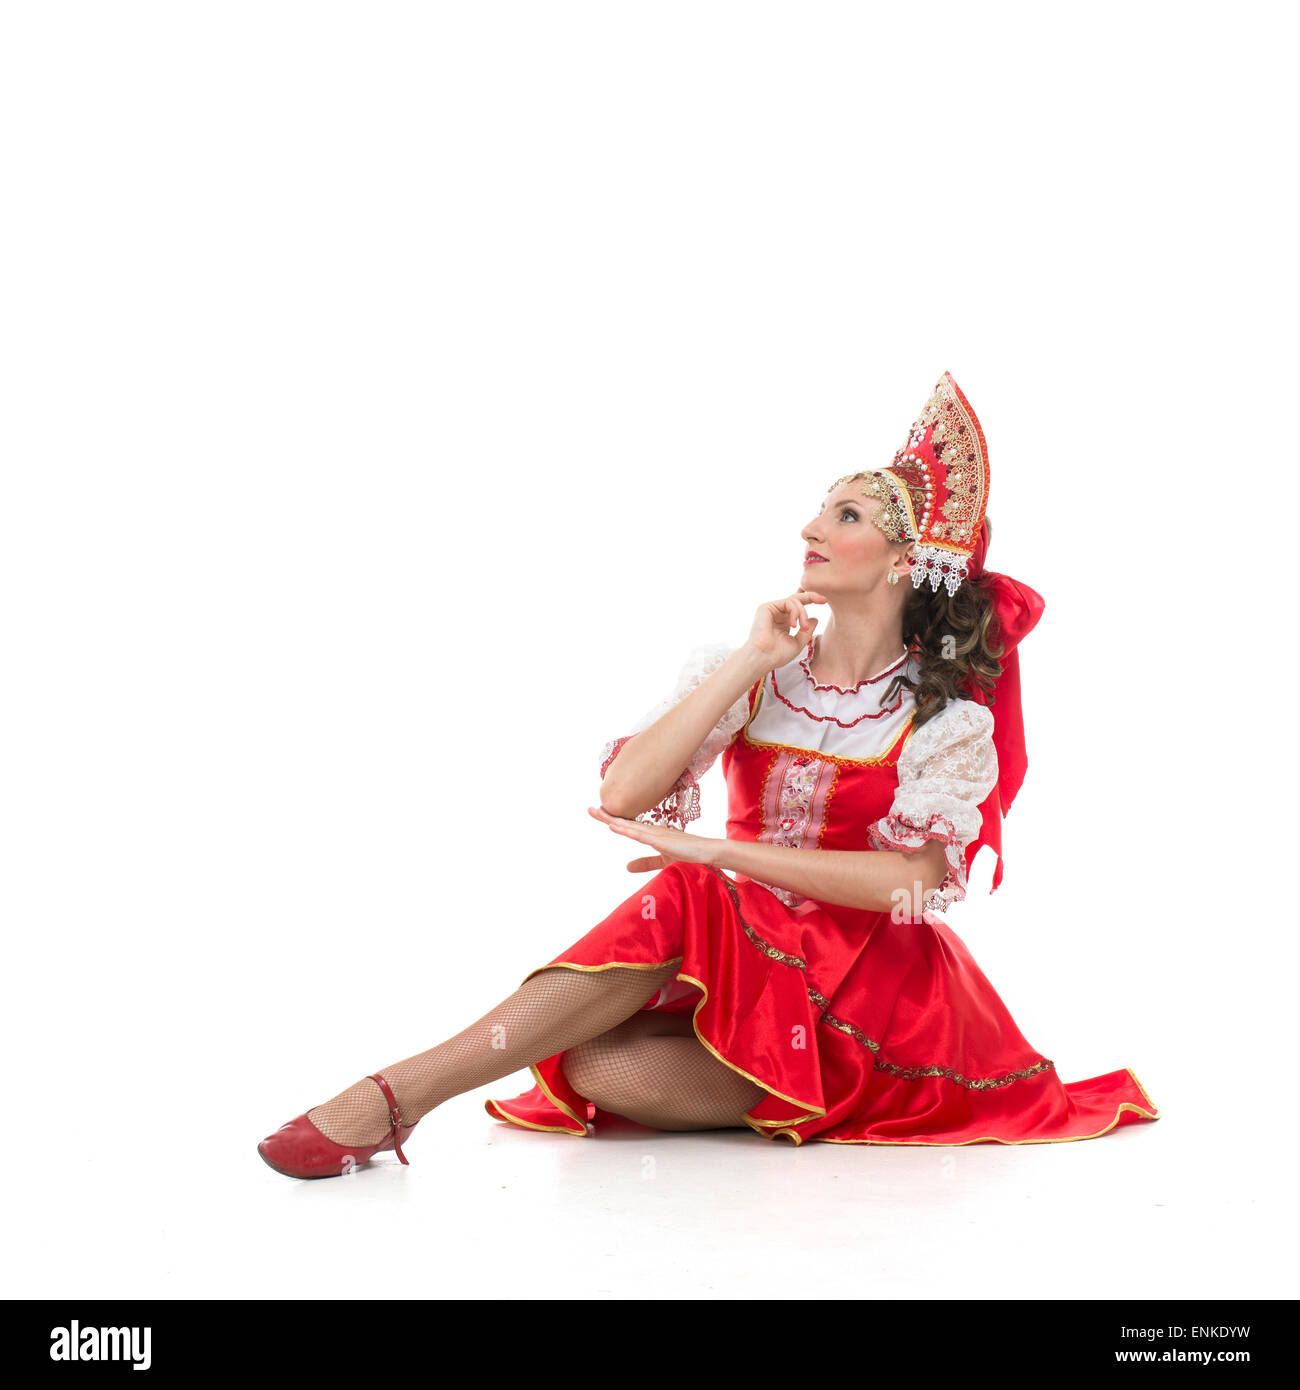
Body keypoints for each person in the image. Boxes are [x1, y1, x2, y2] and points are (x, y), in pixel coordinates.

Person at [257, 371, 1159, 1179]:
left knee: (690, 885)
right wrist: (748, 659)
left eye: (845, 517)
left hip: (879, 1003)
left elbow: (910, 885)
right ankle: (411, 1097)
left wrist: (712, 852)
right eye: (820, 508)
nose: (809, 527)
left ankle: (394, 1095)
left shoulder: (944, 721)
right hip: (751, 962)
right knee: (592, 1065)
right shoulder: (763, 672)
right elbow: (621, 798)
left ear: (901, 561)